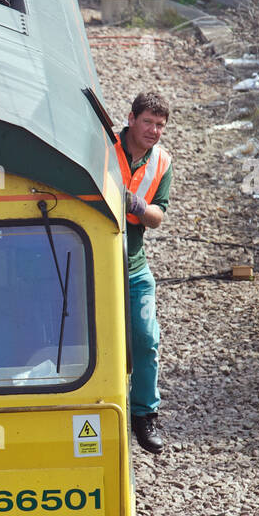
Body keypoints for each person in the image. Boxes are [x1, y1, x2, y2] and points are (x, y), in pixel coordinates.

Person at [114, 91, 172, 454]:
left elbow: (158, 217)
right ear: (131, 118)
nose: (153, 130)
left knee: (147, 339)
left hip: (134, 265)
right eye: (148, 122)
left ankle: (144, 414)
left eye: (160, 125)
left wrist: (135, 204)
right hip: (94, 259)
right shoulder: (103, 145)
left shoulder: (162, 161)